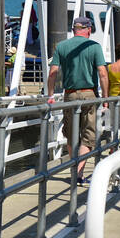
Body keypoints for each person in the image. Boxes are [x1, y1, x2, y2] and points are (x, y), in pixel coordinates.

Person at [47, 15, 108, 184]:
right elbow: (102, 73)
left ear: (73, 29)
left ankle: (75, 170)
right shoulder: (94, 47)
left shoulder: (62, 46)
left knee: (71, 135)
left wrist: (51, 95)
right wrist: (105, 99)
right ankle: (79, 174)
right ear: (88, 29)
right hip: (89, 94)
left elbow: (53, 73)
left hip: (70, 95)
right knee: (88, 136)